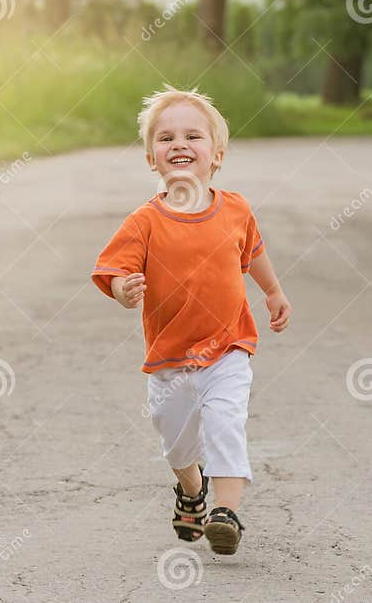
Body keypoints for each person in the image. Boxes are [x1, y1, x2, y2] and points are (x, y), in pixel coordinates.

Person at [90, 85, 291, 555]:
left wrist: (274, 290)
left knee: (226, 422)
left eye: (193, 136)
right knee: (177, 442)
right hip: (170, 358)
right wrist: (123, 290)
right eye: (166, 138)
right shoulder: (145, 221)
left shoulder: (236, 209)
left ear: (216, 156)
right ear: (151, 159)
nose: (179, 144)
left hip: (228, 348)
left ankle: (226, 513)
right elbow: (115, 268)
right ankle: (190, 487)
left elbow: (253, 251)